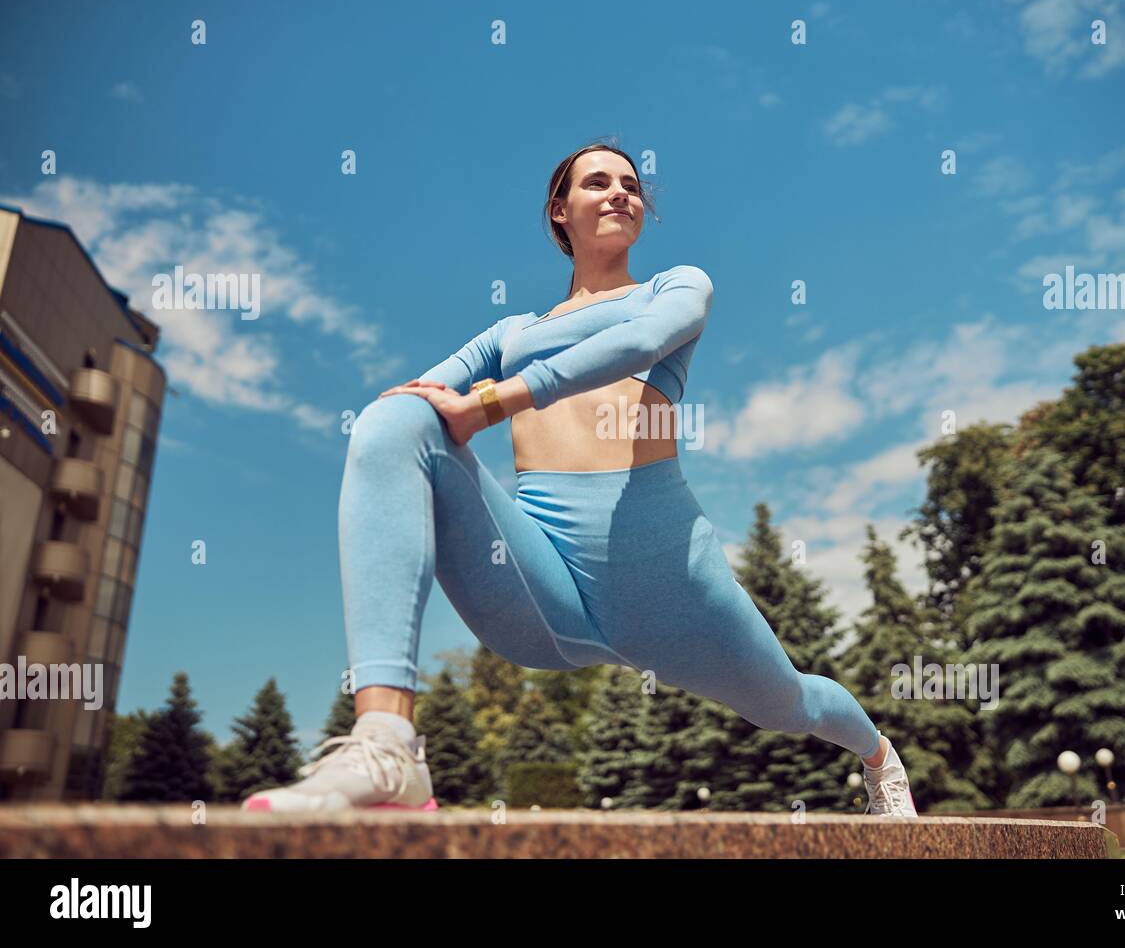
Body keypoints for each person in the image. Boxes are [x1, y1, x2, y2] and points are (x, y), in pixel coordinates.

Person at [241, 141, 917, 817]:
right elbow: (418, 401)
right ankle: (387, 743)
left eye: (631, 184)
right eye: (598, 182)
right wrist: (424, 405)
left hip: (667, 579)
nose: (621, 192)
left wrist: (493, 401)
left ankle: (880, 758)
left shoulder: (674, 288)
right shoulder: (509, 333)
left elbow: (640, 343)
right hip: (544, 587)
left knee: (788, 704)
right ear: (559, 211)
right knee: (391, 424)